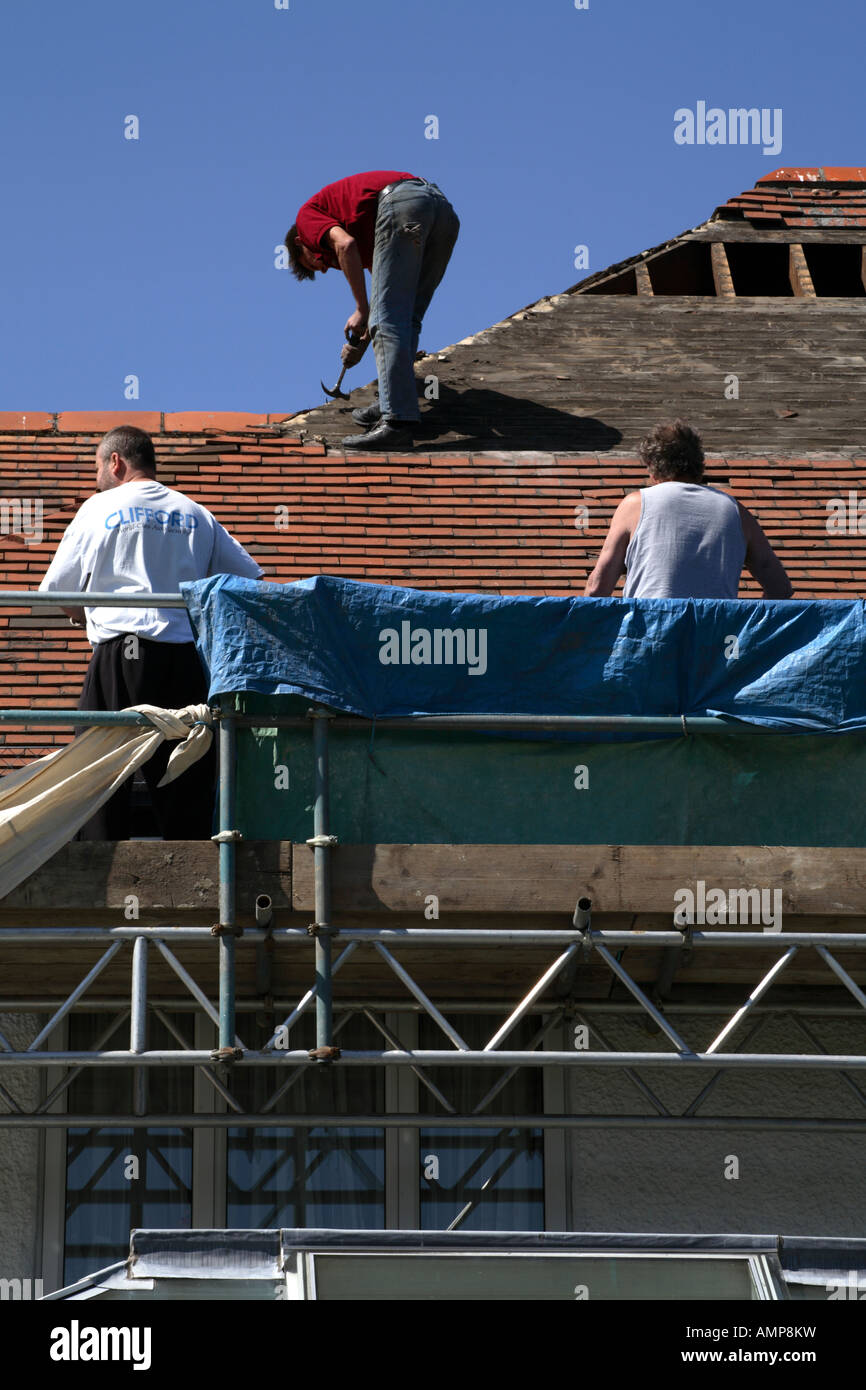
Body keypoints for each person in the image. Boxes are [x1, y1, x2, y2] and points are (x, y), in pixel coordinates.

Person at [38, 425, 263, 838]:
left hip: (120, 655)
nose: (96, 480)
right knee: (186, 768)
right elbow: (247, 583)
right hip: (182, 656)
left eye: (97, 469)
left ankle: (99, 870)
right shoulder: (195, 512)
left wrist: (83, 614)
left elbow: (59, 592)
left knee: (100, 770)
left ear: (115, 462)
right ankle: (198, 874)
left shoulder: (98, 507)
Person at [285, 170, 459, 450]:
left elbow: (345, 244)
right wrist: (362, 342)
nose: (324, 265)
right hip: (440, 212)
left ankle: (397, 423)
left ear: (299, 243)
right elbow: (388, 305)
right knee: (407, 317)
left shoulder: (307, 218)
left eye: (313, 261)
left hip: (403, 204)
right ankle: (394, 399)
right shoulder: (372, 235)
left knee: (389, 318)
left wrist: (360, 308)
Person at [584, 419, 793, 599]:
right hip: (713, 637)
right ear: (699, 465)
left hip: (650, 633)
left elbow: (597, 588)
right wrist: (748, 629)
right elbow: (780, 588)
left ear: (652, 467)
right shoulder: (734, 511)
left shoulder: (635, 504)